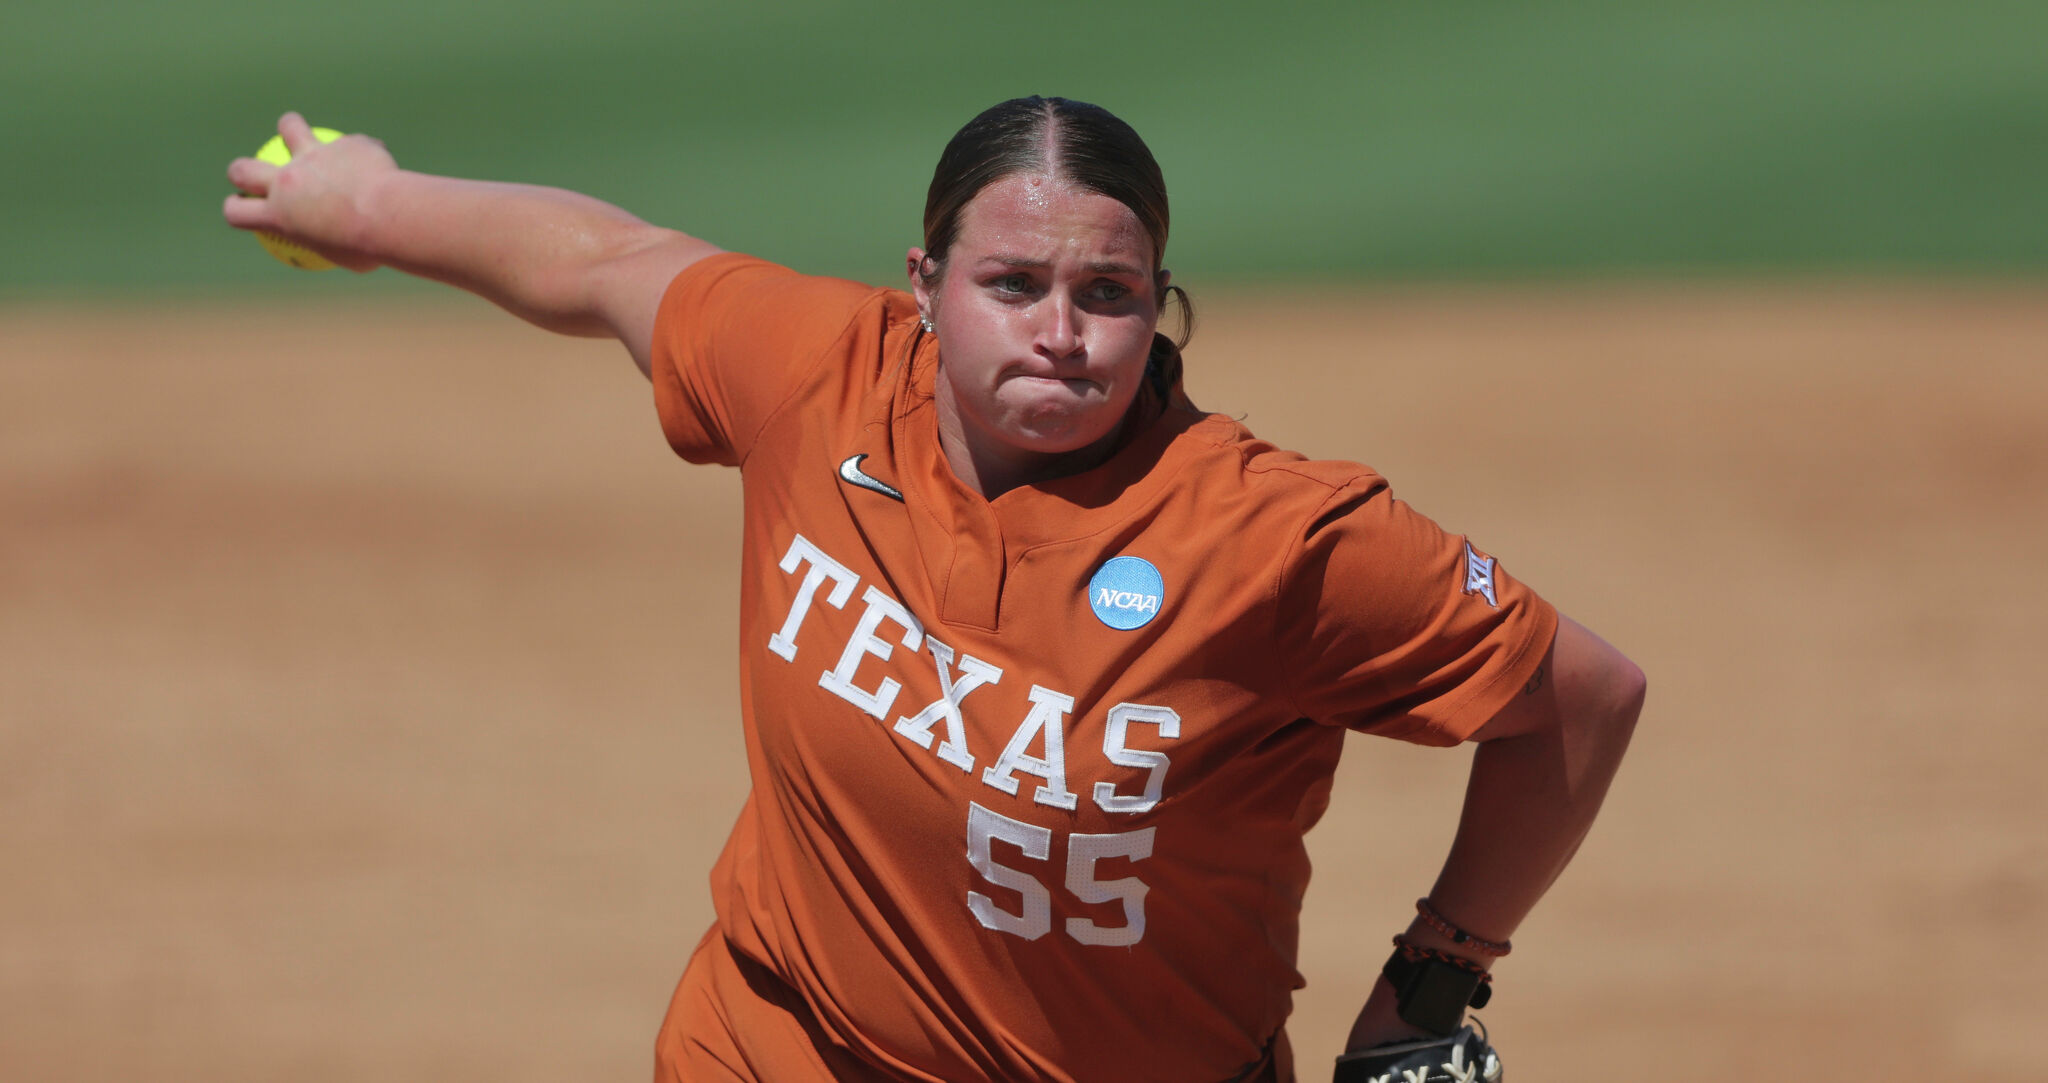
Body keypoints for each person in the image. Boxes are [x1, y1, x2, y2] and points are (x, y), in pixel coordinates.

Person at [224, 97, 1644, 1083]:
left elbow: (1578, 698)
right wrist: (373, 205)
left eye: (1109, 294)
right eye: (1012, 283)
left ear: (1160, 301)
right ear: (925, 284)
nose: (1062, 332)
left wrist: (1433, 984)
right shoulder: (822, 377)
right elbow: (611, 264)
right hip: (771, 1049)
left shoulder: (1278, 539)